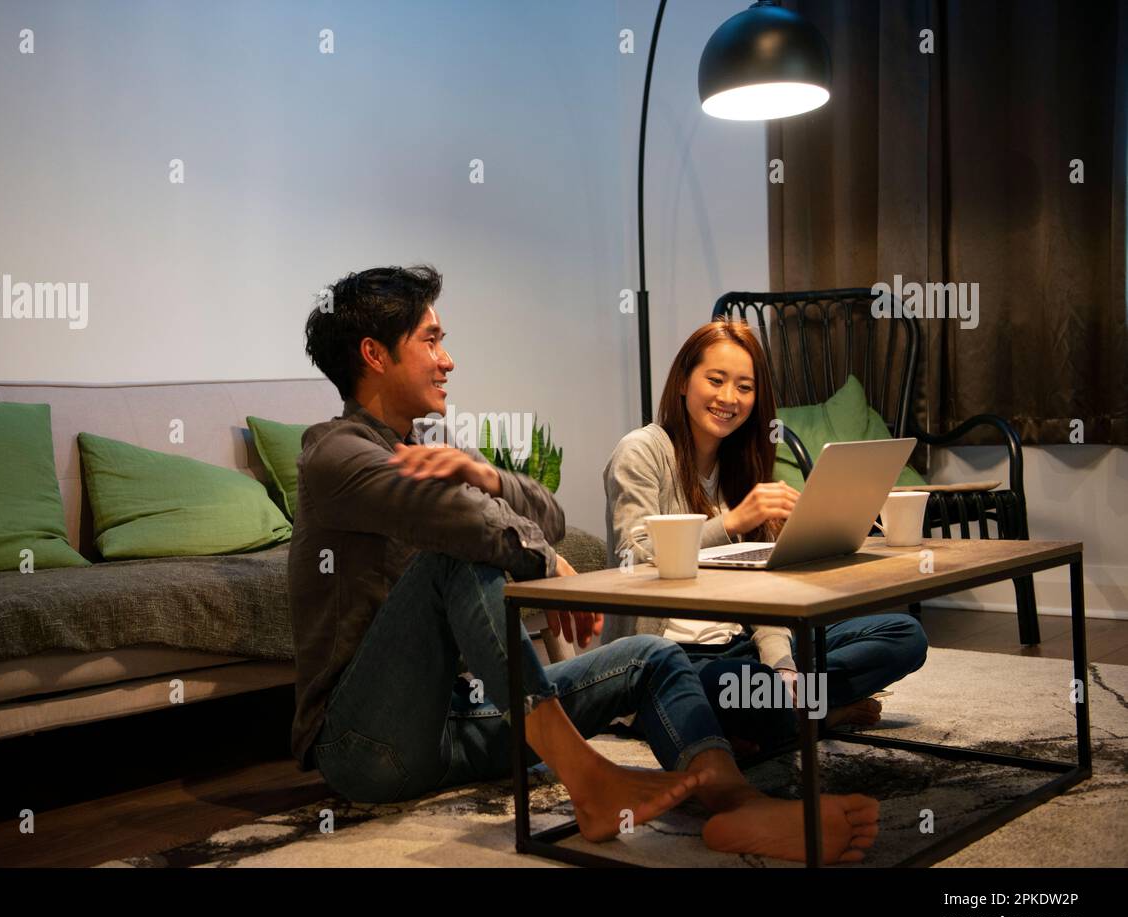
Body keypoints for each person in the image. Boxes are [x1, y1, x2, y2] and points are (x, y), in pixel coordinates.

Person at [288, 265, 881, 862]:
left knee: (653, 656)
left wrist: (487, 475)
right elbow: (468, 528)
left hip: (463, 721)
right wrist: (547, 565)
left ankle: (738, 804)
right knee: (457, 561)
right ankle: (589, 781)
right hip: (365, 743)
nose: (449, 361)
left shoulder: (431, 449)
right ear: (374, 353)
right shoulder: (335, 454)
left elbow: (549, 518)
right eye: (432, 340)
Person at [603, 319, 929, 751]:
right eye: (715, 380)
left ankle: (788, 710)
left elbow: (761, 594)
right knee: (740, 687)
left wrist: (784, 666)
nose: (728, 398)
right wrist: (734, 522)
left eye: (744, 387)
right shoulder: (641, 451)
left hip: (744, 645)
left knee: (903, 635)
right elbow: (635, 553)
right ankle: (815, 713)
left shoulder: (742, 464)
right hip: (672, 659)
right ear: (683, 381)